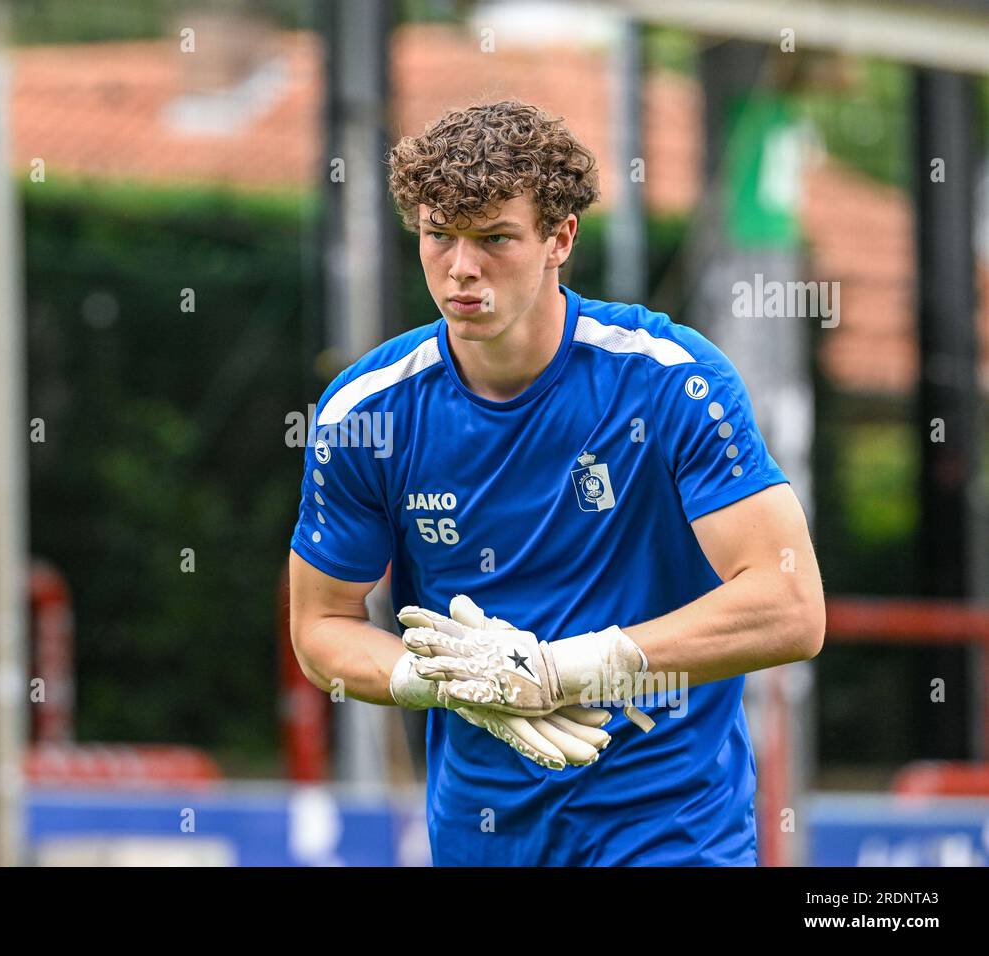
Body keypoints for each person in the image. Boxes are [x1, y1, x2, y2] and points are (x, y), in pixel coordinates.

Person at [288, 100, 824, 866]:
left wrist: (563, 668)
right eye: (439, 235)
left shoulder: (672, 379)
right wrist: (443, 681)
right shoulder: (363, 412)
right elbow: (320, 629)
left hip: (673, 833)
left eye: (496, 239)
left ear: (559, 239)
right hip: (483, 836)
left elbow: (791, 605)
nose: (462, 268)